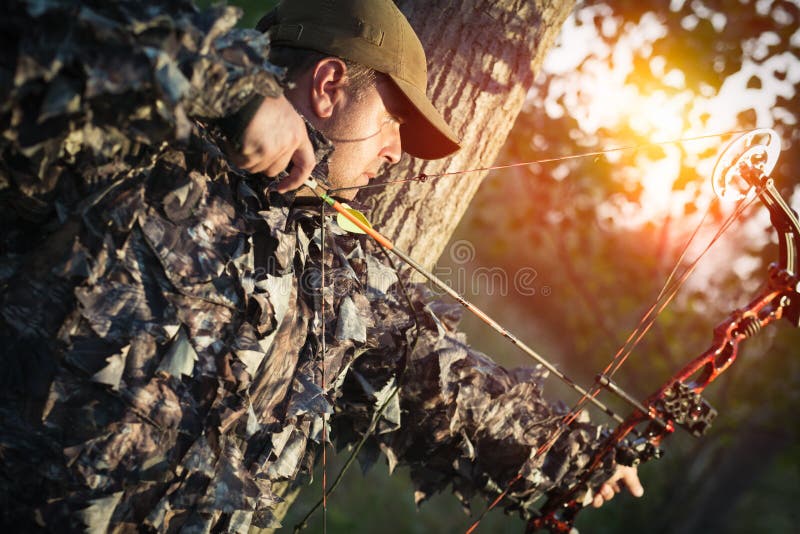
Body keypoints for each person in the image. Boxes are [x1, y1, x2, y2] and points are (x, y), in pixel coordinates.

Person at [0, 0, 640, 531]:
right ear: (330, 86)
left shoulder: (336, 276)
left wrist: (580, 456)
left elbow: (439, 387)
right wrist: (233, 93)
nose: (397, 153)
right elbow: (42, 33)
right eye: (393, 120)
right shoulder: (142, 151)